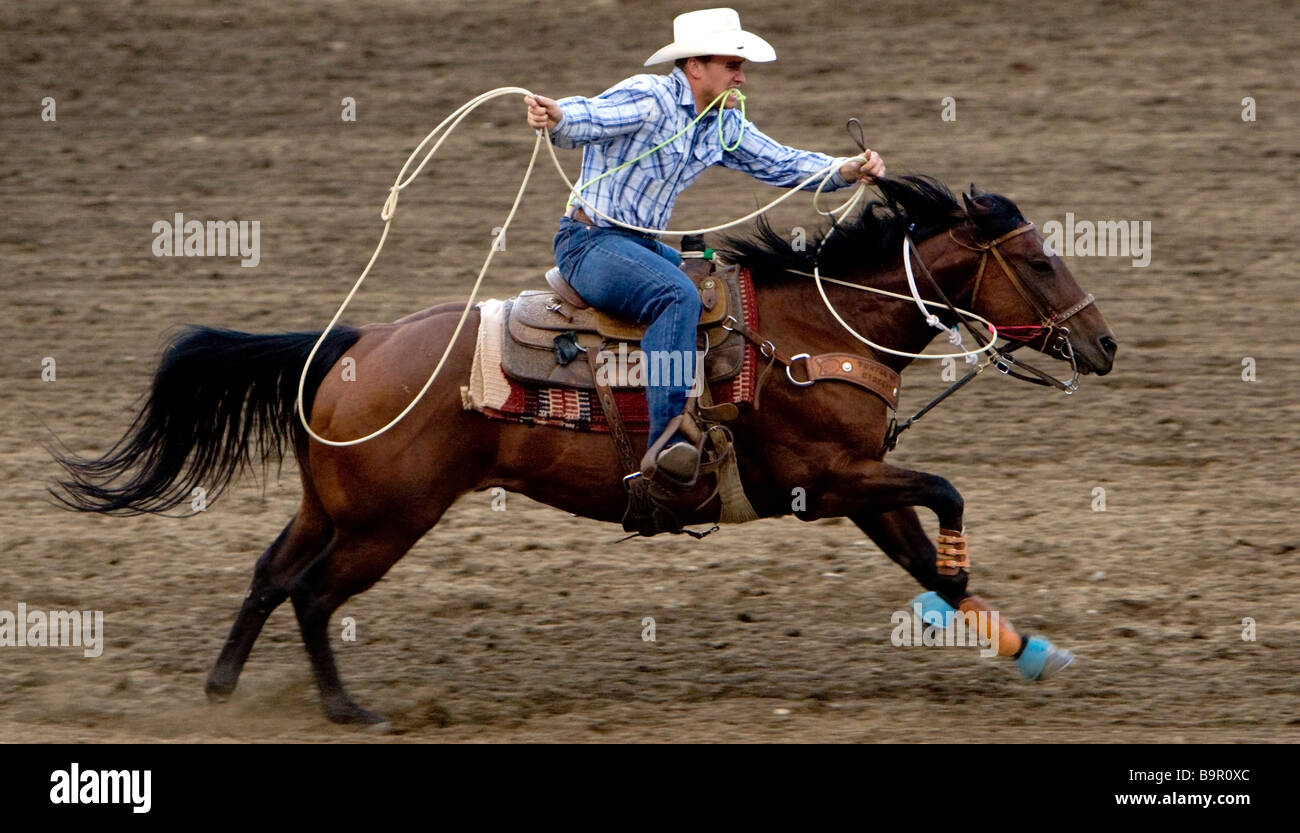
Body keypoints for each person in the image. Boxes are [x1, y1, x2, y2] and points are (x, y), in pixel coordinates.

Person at [524, 8, 885, 486]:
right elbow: (590, 118)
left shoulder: (721, 122)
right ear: (695, 66)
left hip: (638, 246)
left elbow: (780, 162)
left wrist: (844, 169)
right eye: (731, 66)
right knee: (676, 296)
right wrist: (558, 115)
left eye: (741, 67)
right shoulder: (650, 96)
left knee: (723, 287)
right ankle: (668, 436)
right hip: (589, 243)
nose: (741, 77)